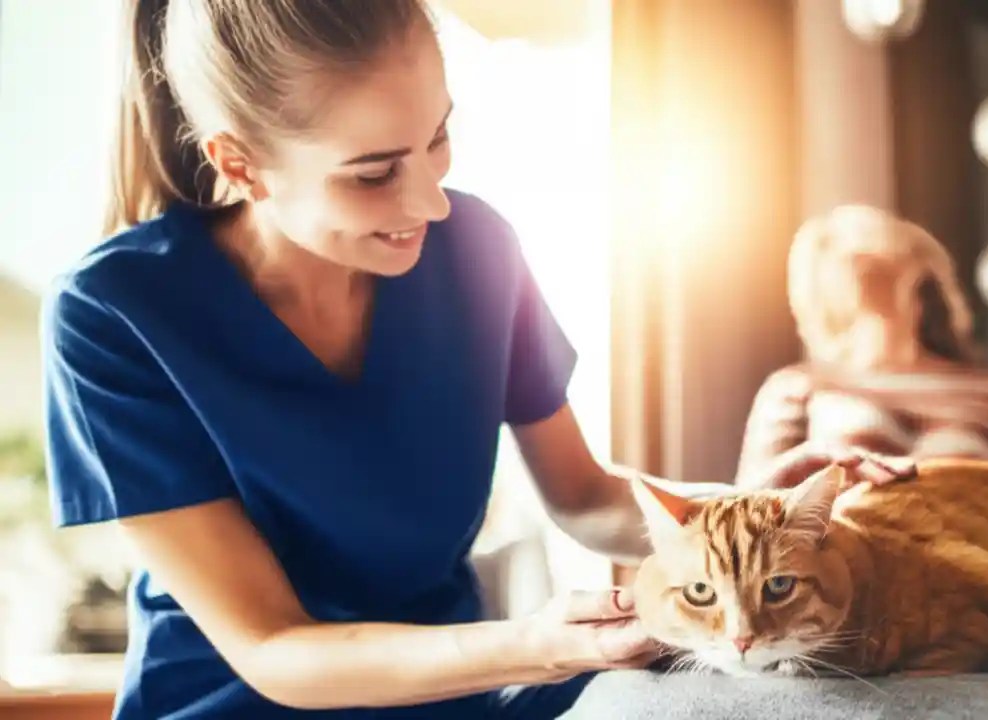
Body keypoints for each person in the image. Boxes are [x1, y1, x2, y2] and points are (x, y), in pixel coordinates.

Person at [40, 1, 909, 717]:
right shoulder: (116, 315)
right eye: (374, 173)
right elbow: (273, 648)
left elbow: (588, 499)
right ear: (241, 162)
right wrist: (541, 643)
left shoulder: (481, 249)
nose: (430, 202)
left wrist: (752, 511)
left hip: (464, 693)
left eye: (437, 141)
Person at [737, 205, 988, 481]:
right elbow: (746, 505)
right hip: (844, 535)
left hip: (968, 536)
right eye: (836, 249)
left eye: (867, 239)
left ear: (917, 264)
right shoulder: (798, 387)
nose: (857, 255)